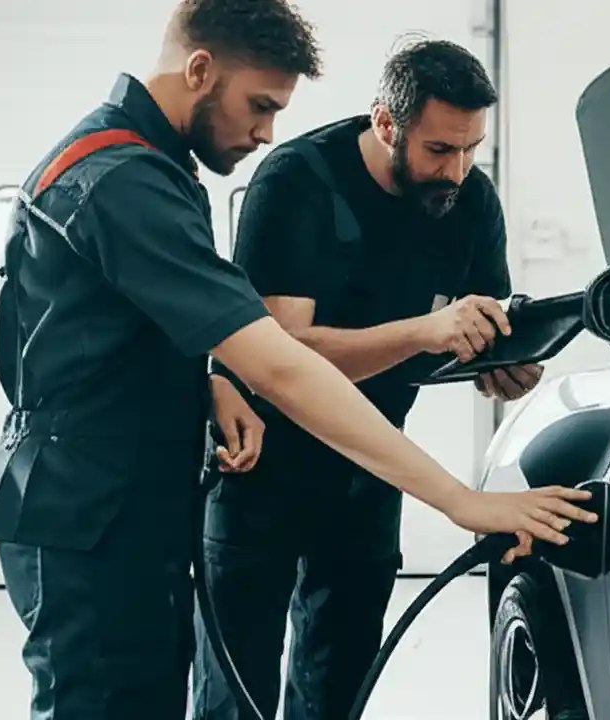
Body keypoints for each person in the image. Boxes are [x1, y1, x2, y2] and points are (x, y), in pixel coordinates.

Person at [0, 3, 595, 719]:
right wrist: (460, 500)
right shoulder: (122, 179)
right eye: (260, 105)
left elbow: (109, 333)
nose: (267, 131)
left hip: (133, 498)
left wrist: (207, 383)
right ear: (201, 69)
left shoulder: (155, 168)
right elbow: (282, 362)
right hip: (93, 507)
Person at [191, 38, 547, 720]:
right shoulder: (295, 182)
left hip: (370, 467)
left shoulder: (469, 198)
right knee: (234, 696)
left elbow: (472, 332)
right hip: (260, 468)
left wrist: (496, 366)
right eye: (441, 150)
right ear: (387, 124)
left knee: (338, 683)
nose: (459, 168)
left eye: (472, 148)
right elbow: (280, 361)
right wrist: (424, 331)